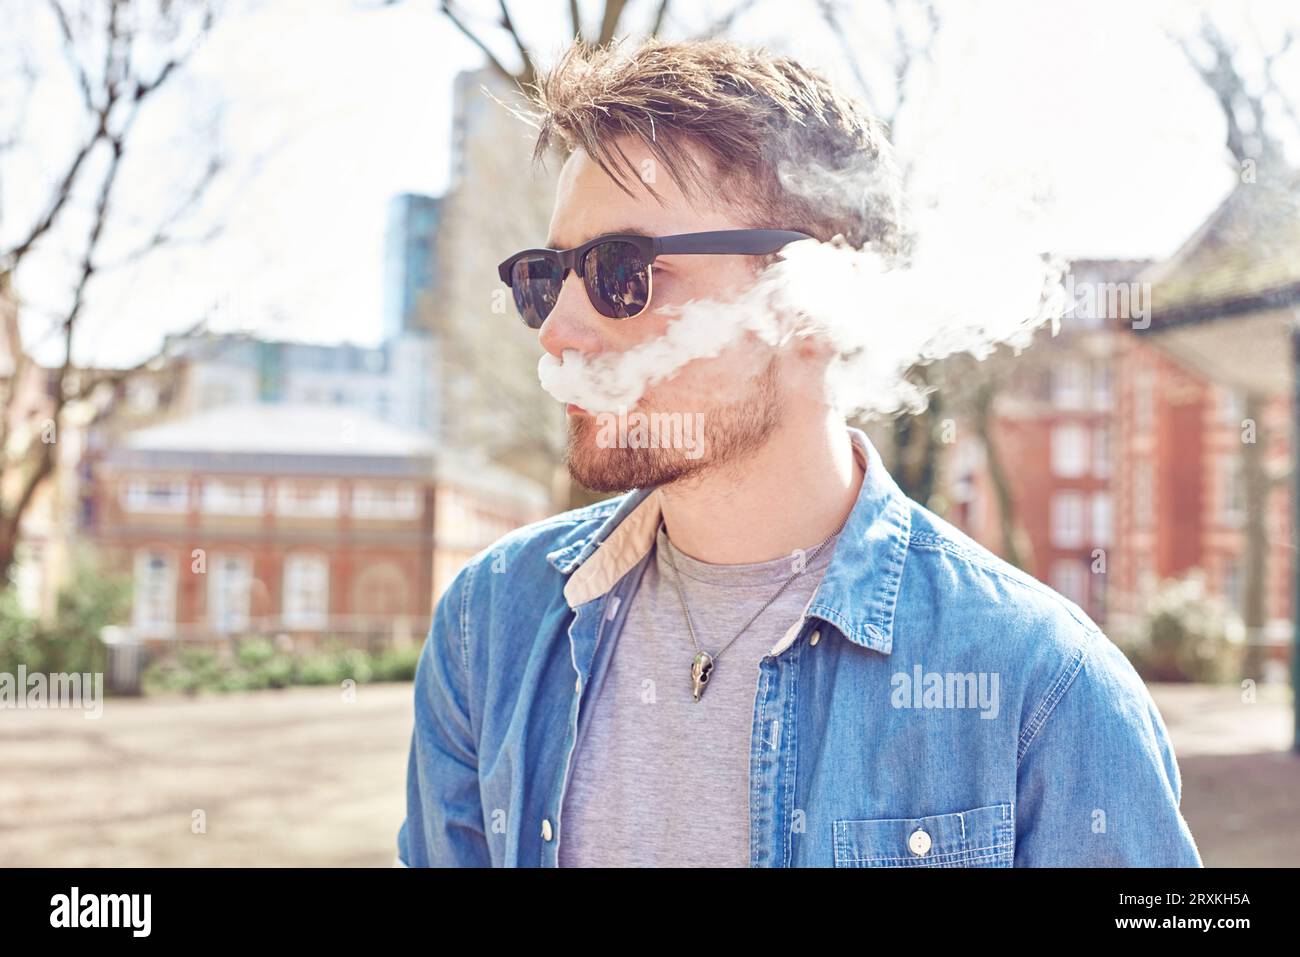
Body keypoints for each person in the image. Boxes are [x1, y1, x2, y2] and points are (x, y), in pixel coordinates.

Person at [396, 37, 1202, 867]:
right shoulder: (488, 623)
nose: (559, 332)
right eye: (545, 278)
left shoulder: (1042, 685)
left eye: (621, 272)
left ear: (814, 302)